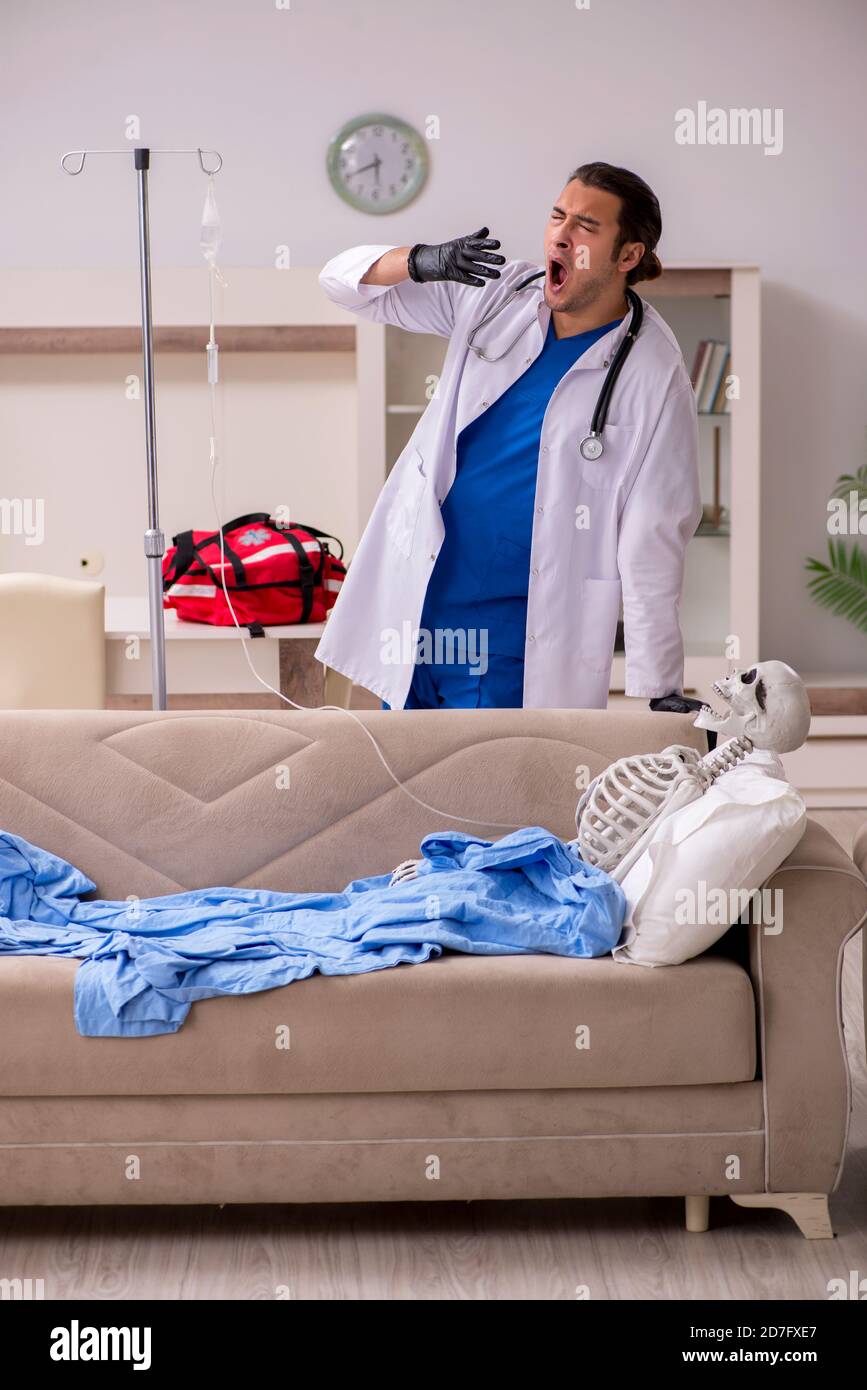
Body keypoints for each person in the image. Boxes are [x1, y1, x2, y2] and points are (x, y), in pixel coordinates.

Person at [315, 162, 702, 712]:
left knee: (483, 791)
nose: (561, 236)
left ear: (628, 256)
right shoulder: (496, 295)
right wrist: (423, 261)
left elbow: (654, 533)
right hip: (417, 609)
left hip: (515, 637)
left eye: (586, 227)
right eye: (556, 217)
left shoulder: (653, 370)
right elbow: (340, 283)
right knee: (400, 787)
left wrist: (659, 684)